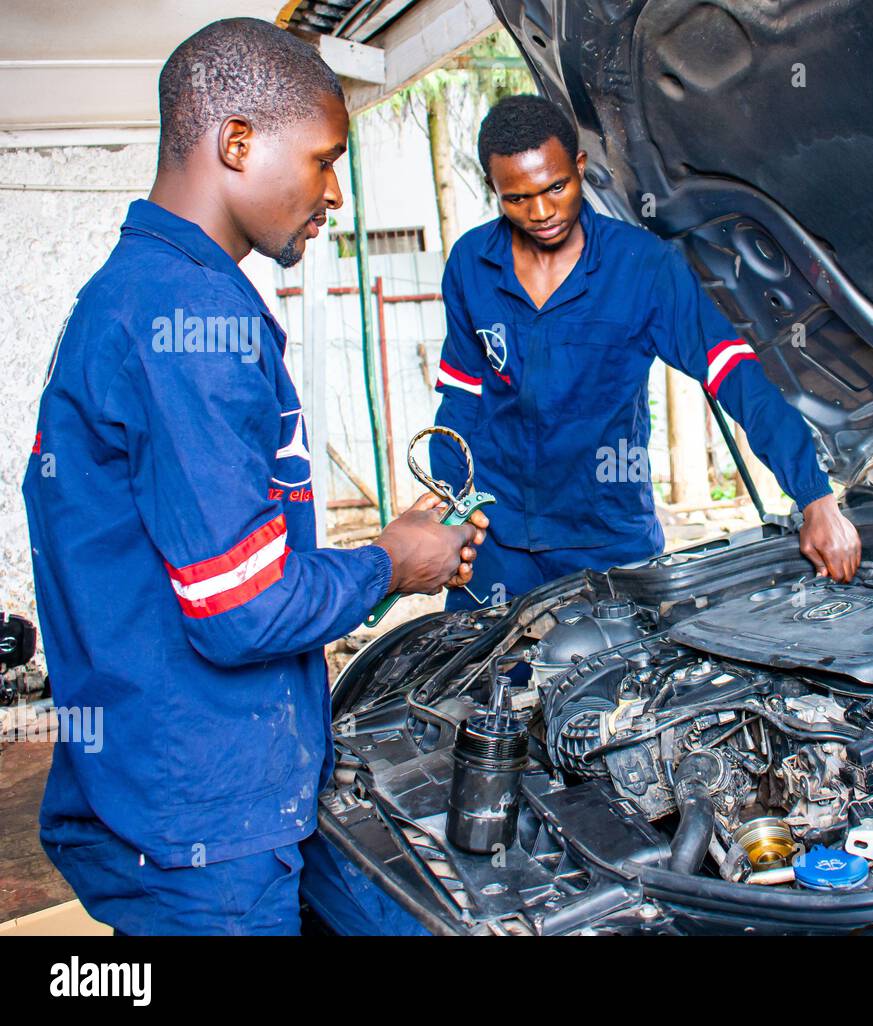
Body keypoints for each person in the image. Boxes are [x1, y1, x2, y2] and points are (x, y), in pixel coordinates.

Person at [21, 18, 486, 935]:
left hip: (168, 790)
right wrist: (393, 564)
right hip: (206, 827)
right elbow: (245, 611)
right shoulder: (183, 319)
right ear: (237, 142)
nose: (334, 195)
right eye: (322, 160)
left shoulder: (141, 291)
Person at [427, 96, 861, 609]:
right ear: (493, 189)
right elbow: (459, 402)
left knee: (613, 686)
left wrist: (814, 495)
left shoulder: (644, 266)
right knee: (482, 682)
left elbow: (734, 374)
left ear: (580, 167)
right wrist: (446, 514)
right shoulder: (470, 264)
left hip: (606, 539)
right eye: (517, 198)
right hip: (493, 539)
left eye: (557, 187)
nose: (541, 212)